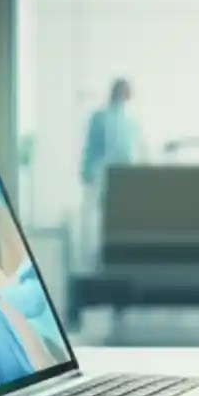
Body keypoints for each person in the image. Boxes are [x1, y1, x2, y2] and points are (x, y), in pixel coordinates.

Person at [77, 78, 144, 272]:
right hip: (101, 175)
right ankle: (94, 261)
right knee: (97, 220)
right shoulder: (100, 117)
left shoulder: (129, 122)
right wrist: (87, 173)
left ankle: (114, 259)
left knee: (117, 220)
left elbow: (130, 152)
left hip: (122, 177)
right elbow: (91, 148)